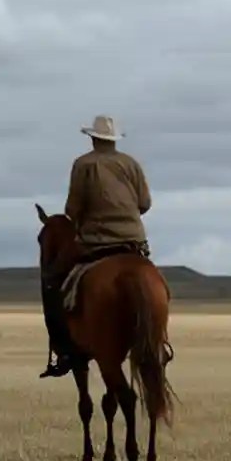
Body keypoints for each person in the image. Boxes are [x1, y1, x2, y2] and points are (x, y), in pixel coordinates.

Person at [39, 114, 153, 379]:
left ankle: (64, 351)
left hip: (95, 240)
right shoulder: (131, 164)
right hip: (133, 240)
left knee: (53, 283)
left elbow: (72, 209)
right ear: (114, 140)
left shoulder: (83, 164)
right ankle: (160, 346)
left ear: (92, 138)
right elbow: (145, 203)